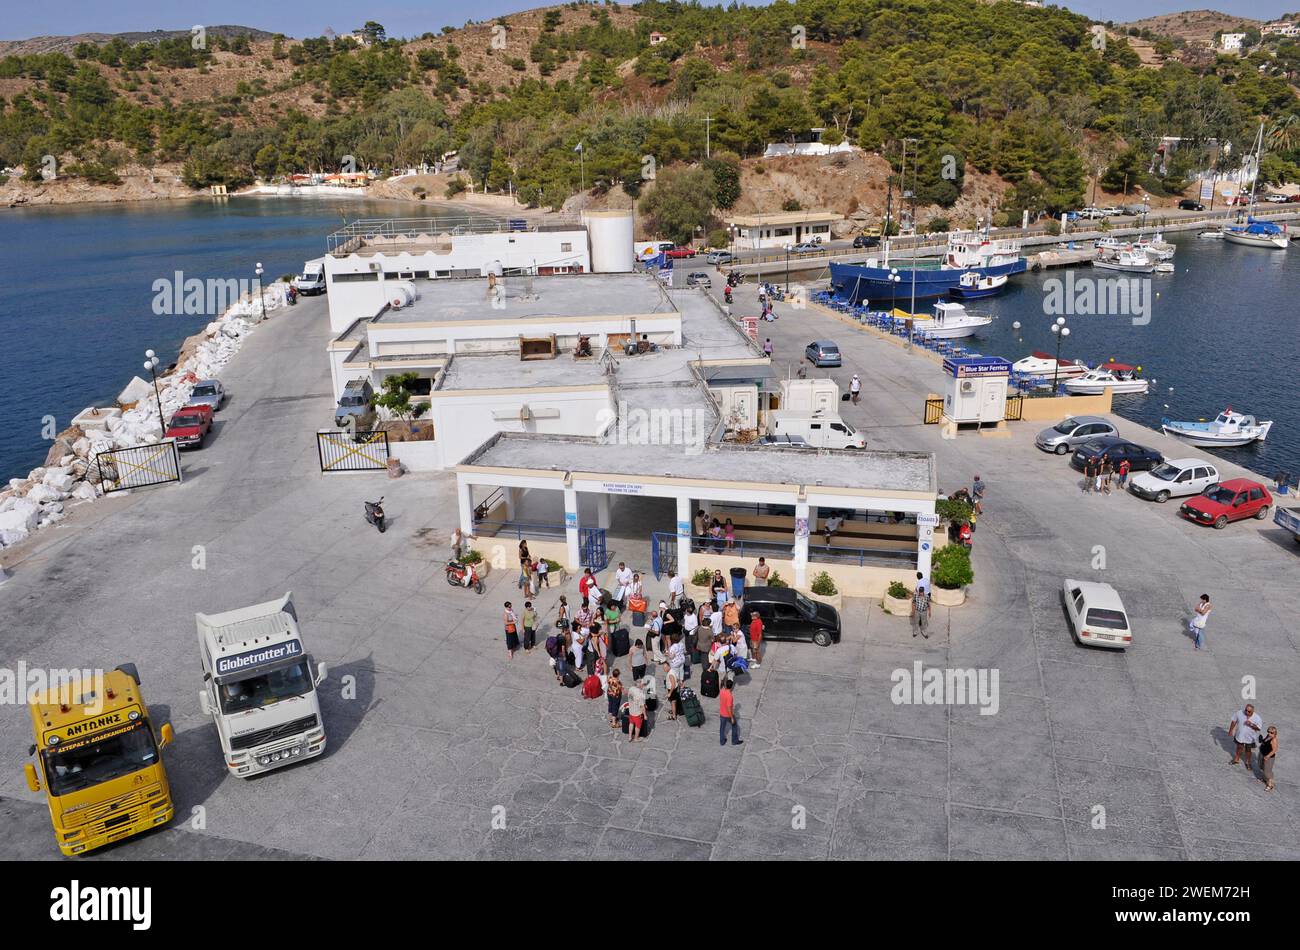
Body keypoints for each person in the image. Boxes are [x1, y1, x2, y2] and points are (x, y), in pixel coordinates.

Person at [1228, 704, 1263, 770]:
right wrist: (1230, 730)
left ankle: (1248, 762)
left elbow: (1258, 728)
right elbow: (1233, 721)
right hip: (1240, 736)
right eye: (1246, 710)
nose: (1247, 712)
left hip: (1250, 738)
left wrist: (1251, 724)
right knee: (1239, 747)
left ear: (1253, 711)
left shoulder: (1257, 718)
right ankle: (1236, 759)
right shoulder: (1239, 713)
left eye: (1249, 711)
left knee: (1248, 750)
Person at [718, 678, 742, 746]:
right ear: (731, 687)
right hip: (727, 715)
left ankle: (722, 741)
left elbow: (720, 686)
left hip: (721, 713)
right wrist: (731, 717)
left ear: (725, 685)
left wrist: (721, 681)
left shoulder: (722, 691)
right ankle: (734, 741)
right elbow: (729, 708)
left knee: (722, 728)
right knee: (735, 726)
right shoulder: (729, 696)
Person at [911, 574, 932, 639]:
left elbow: (928, 604)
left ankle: (924, 632)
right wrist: (913, 612)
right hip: (917, 611)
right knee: (916, 622)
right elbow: (913, 603)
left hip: (924, 611)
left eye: (921, 592)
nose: (920, 593)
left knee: (924, 622)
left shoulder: (926, 597)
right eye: (920, 592)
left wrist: (930, 612)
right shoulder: (916, 596)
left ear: (923, 591)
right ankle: (915, 632)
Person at [1259, 726, 1279, 792]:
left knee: (1267, 771)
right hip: (1262, 754)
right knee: (1262, 766)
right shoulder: (1268, 736)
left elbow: (1274, 749)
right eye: (1268, 731)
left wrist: (1267, 756)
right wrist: (1261, 740)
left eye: (1271, 732)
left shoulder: (1274, 740)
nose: (1269, 733)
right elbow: (1265, 743)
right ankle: (1265, 779)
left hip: (1268, 757)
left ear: (1275, 733)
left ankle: (1270, 785)